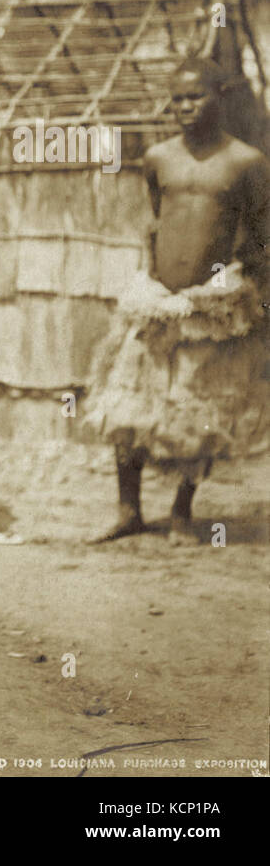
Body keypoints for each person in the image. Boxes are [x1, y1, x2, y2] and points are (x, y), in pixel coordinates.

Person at [86, 57, 270, 545]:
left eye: (195, 96)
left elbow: (261, 235)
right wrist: (152, 276)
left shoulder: (245, 162)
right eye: (177, 99)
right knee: (127, 401)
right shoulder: (158, 157)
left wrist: (236, 284)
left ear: (220, 96)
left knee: (196, 409)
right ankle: (129, 511)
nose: (185, 107)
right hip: (154, 299)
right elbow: (156, 219)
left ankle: (182, 514)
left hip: (208, 307)